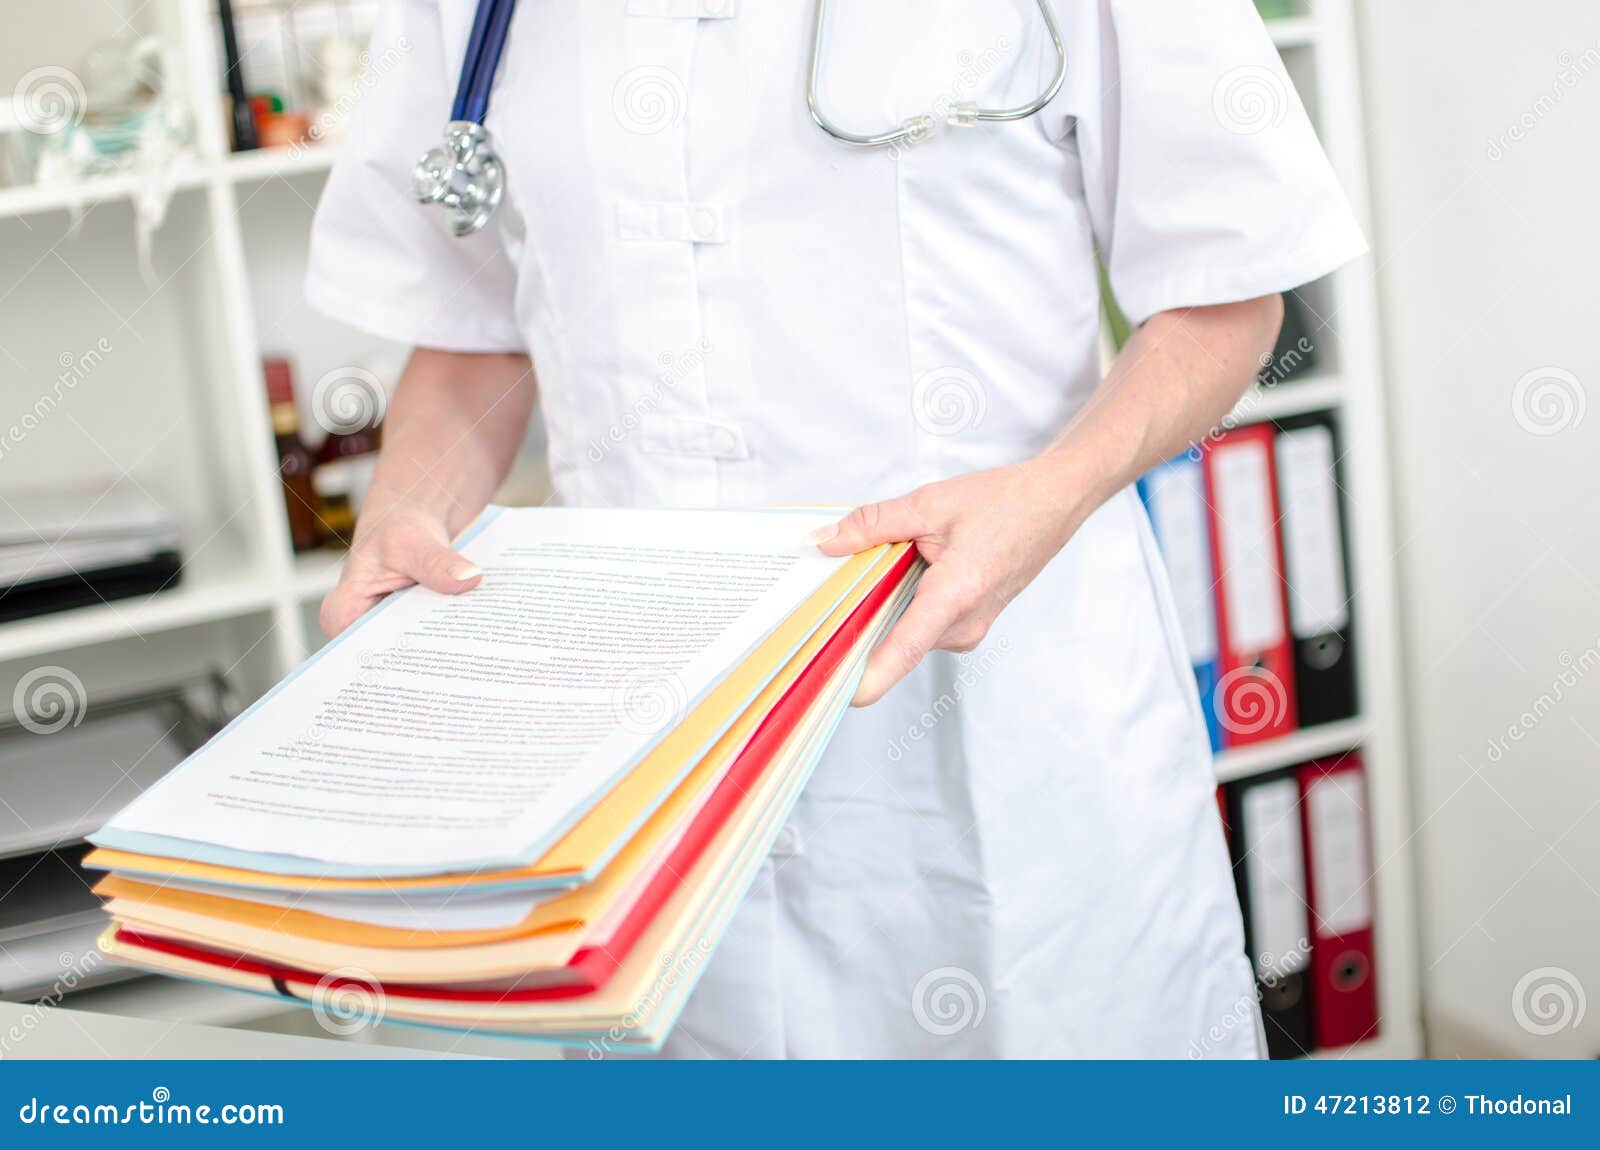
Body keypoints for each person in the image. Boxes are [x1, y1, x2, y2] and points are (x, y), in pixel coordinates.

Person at [309, 0, 1364, 1058]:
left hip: (1003, 712)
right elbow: (473, 336)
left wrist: (1049, 493)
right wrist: (407, 509)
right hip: (641, 754)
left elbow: (1225, 295)